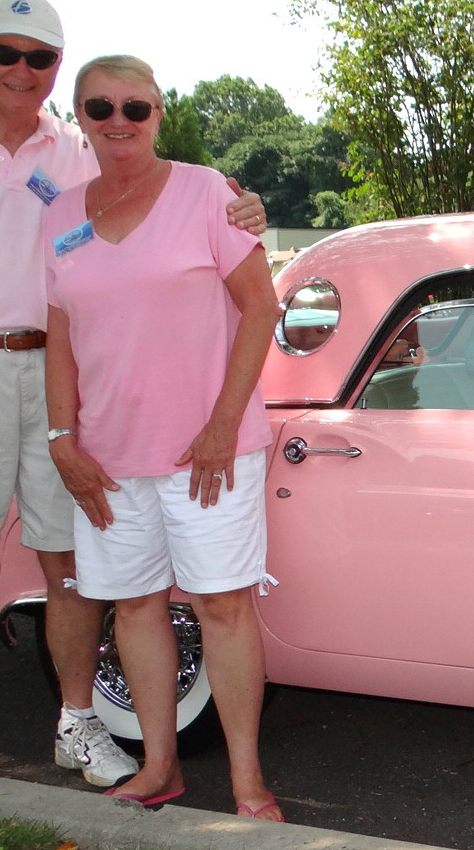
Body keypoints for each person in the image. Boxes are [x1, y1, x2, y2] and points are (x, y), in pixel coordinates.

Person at [0, 0, 265, 785]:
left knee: (70, 559)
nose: (21, 69)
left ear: (56, 67)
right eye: (5, 52)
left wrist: (242, 206)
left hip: (57, 373)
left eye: (38, 57)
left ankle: (78, 721)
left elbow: (165, 199)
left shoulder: (77, 146)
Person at [43, 55, 283, 820]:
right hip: (106, 458)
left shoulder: (208, 193)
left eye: (134, 107)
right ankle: (158, 766)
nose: (118, 121)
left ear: (158, 114)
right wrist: (61, 437)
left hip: (208, 453)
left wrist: (221, 425)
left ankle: (247, 782)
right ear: (79, 117)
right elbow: (59, 333)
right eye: (99, 107)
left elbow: (261, 308)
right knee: (134, 607)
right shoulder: (59, 214)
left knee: (222, 606)